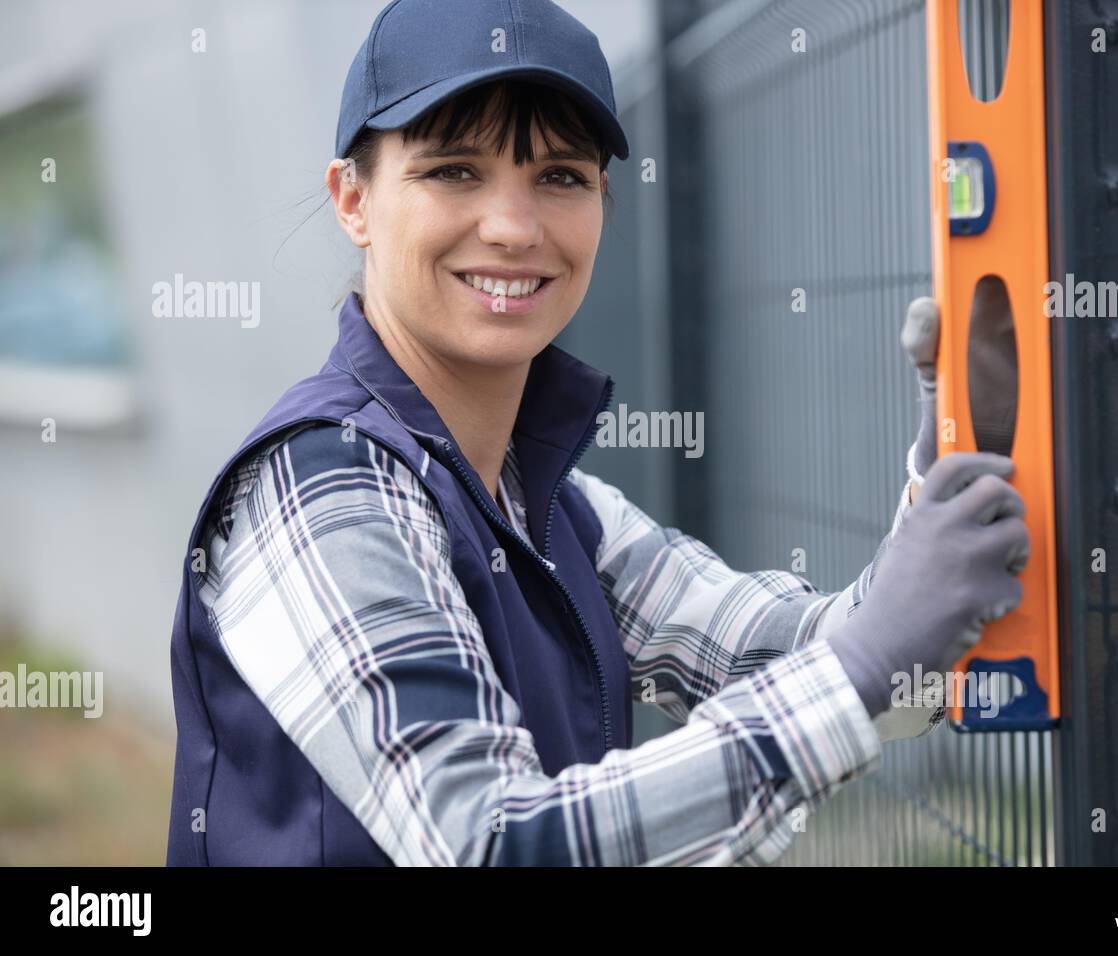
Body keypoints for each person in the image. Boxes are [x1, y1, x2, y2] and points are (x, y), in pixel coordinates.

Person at [165, 0, 1028, 866]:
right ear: (353, 199)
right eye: (455, 171)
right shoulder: (323, 484)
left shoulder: (555, 509)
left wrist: (956, 467)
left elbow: (799, 659)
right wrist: (864, 665)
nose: (512, 227)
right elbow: (492, 843)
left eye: (561, 177)